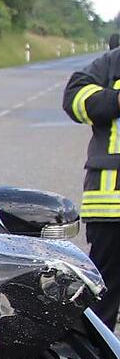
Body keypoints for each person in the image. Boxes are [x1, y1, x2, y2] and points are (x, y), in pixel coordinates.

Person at [64, 33, 120, 323]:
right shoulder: (112, 63)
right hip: (111, 206)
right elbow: (73, 98)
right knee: (103, 297)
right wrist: (116, 100)